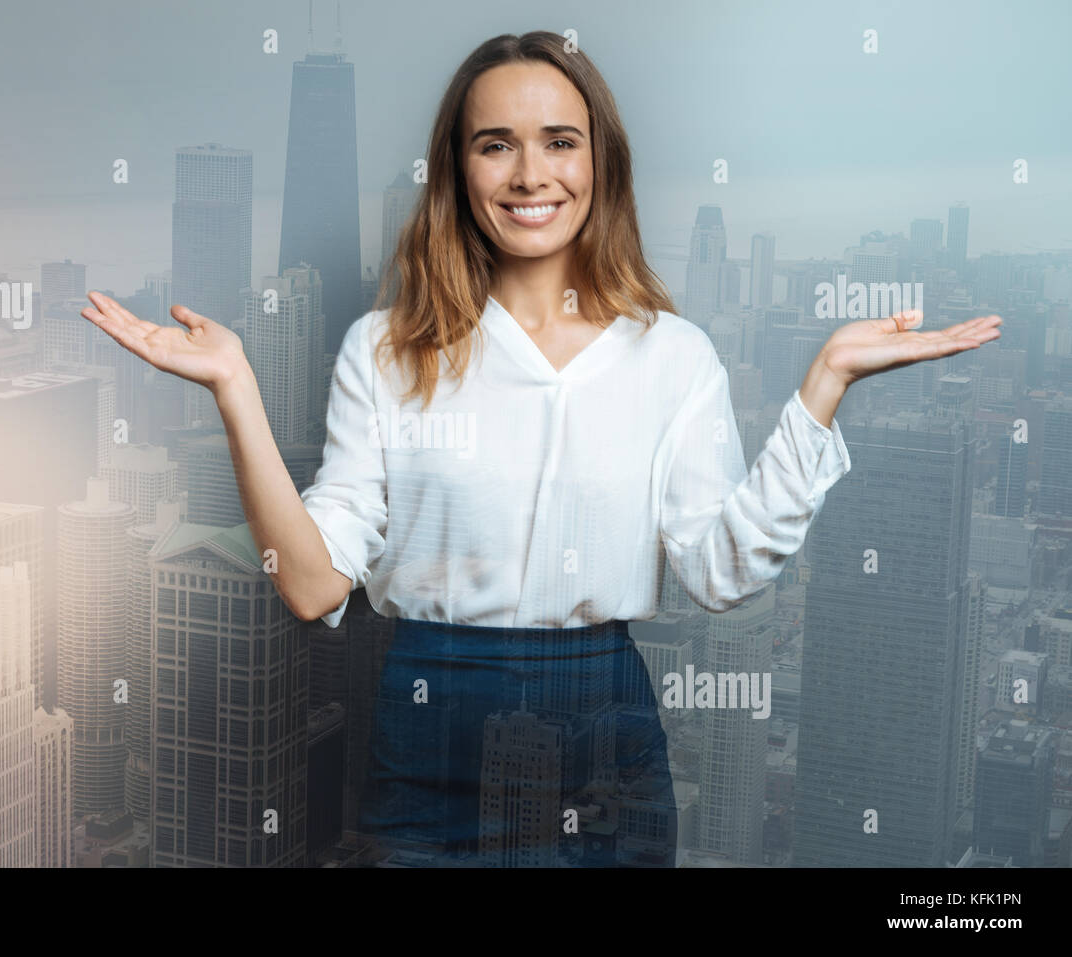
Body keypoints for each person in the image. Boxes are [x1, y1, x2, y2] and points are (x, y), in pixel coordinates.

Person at [82, 31, 1002, 868]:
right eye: (497, 144)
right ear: (458, 169)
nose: (531, 174)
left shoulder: (672, 355)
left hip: (603, 729)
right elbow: (315, 582)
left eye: (560, 141)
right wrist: (235, 388)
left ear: (600, 162)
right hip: (426, 716)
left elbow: (723, 574)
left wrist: (825, 383)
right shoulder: (385, 348)